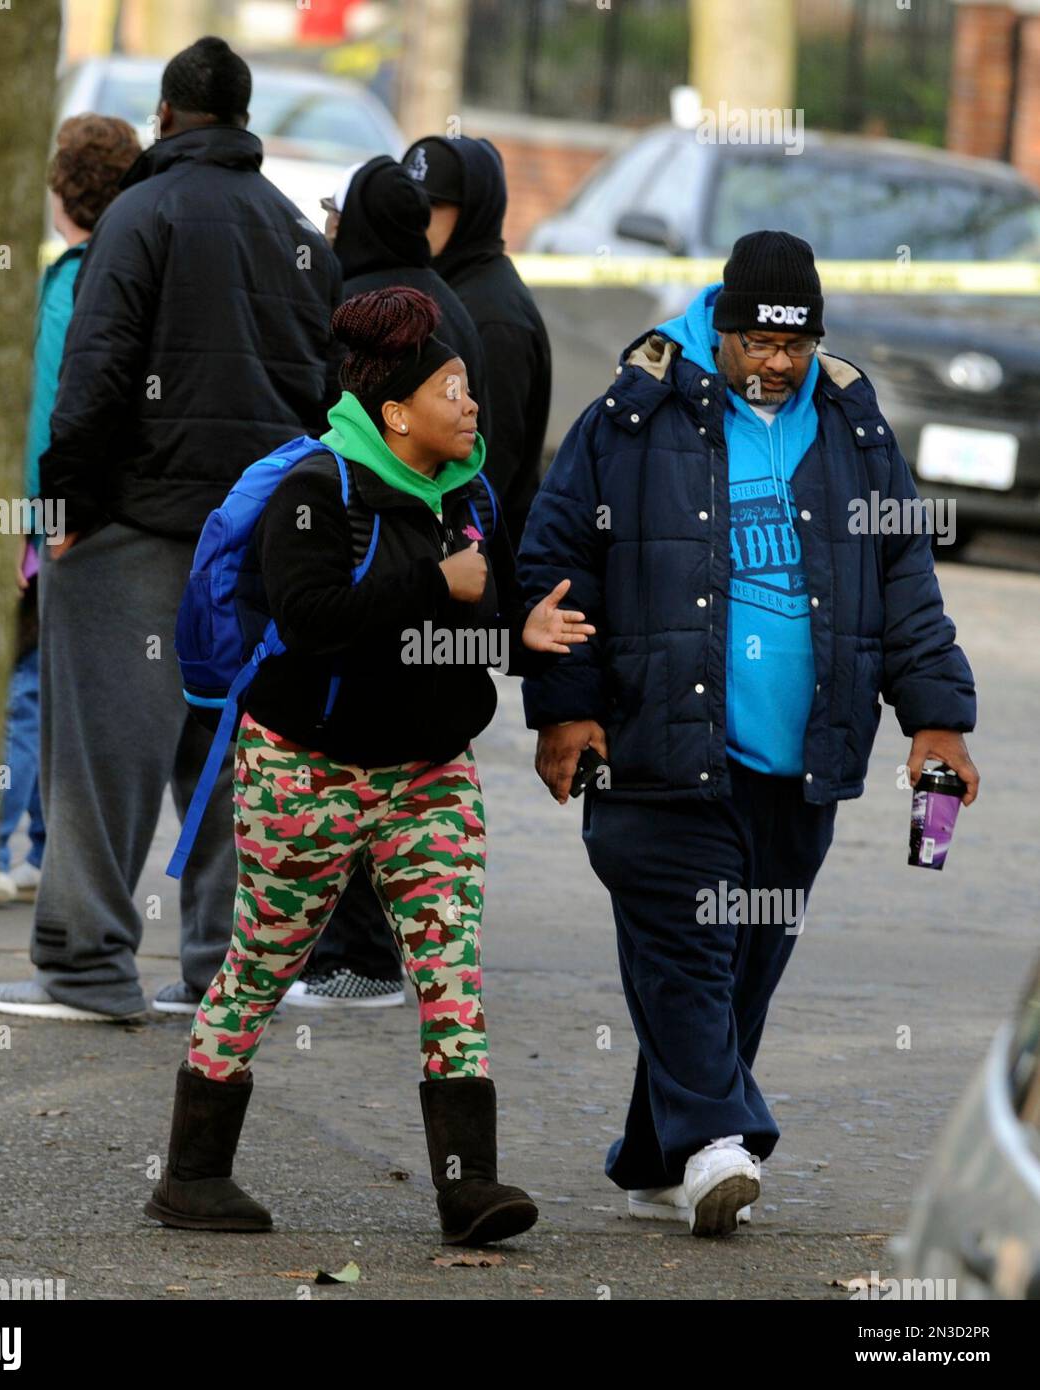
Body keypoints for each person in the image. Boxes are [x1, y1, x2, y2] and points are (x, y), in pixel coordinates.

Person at [519, 230, 979, 1238]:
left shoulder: (854, 431)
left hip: (800, 755)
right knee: (686, 943)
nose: (775, 364)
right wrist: (566, 704)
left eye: (794, 345)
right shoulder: (633, 419)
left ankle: (655, 1155)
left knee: (744, 964)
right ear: (719, 327)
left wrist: (937, 715)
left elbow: (906, 584)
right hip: (656, 742)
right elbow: (556, 561)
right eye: (757, 344)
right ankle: (723, 1139)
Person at [144, 286, 593, 1245]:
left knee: (450, 972)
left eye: (470, 387)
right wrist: (435, 581)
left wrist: (521, 631)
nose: (473, 406)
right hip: (309, 770)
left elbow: (473, 624)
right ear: (396, 410)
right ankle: (191, 1176)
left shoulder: (468, 493)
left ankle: (469, 1189)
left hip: (430, 774)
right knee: (262, 962)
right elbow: (311, 624)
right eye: (453, 388)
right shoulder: (320, 489)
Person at [0, 36, 340, 1023]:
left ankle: (87, 964)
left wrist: (65, 503)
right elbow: (325, 394)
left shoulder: (139, 213)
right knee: (226, 756)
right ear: (245, 113)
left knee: (99, 756)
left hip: (135, 529)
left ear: (166, 116)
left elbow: (93, 379)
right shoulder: (296, 233)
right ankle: (219, 971)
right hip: (256, 538)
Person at [287, 154, 493, 1008]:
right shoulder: (455, 307)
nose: (467, 403)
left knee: (366, 788)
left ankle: (357, 958)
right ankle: (376, 952)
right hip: (444, 603)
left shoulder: (367, 322)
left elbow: (316, 610)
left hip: (387, 659)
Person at [0, 115, 141, 910]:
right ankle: (49, 851)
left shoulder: (69, 280)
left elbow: (52, 407)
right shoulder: (129, 268)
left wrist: (30, 518)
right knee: (70, 695)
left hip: (55, 520)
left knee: (25, 687)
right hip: (104, 519)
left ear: (62, 190)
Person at [402, 135, 551, 543]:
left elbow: (490, 467)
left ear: (472, 213)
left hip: (478, 555)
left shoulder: (495, 317)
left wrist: (459, 551)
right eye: (409, 199)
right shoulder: (444, 285)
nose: (416, 215)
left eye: (432, 205)